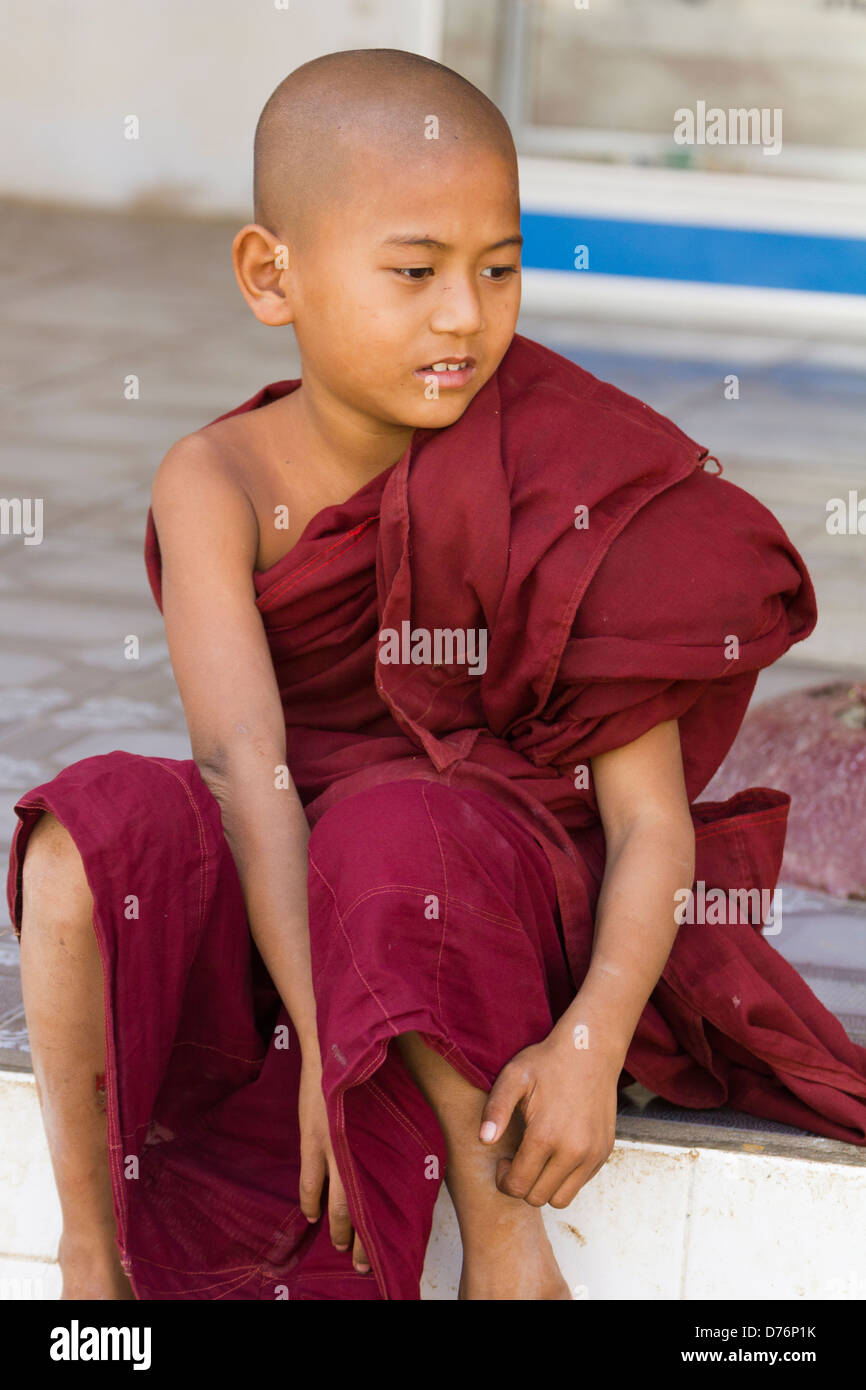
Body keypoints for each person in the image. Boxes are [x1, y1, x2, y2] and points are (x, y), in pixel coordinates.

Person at [8, 48, 866, 1303]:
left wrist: (589, 1042)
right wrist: (314, 1042)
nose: (465, 315)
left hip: (476, 897)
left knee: (391, 824)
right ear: (271, 275)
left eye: (500, 269)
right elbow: (244, 770)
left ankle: (507, 1260)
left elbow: (644, 822)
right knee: (81, 837)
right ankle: (92, 1264)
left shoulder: (562, 470)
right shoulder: (221, 482)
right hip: (295, 889)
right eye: (414, 273)